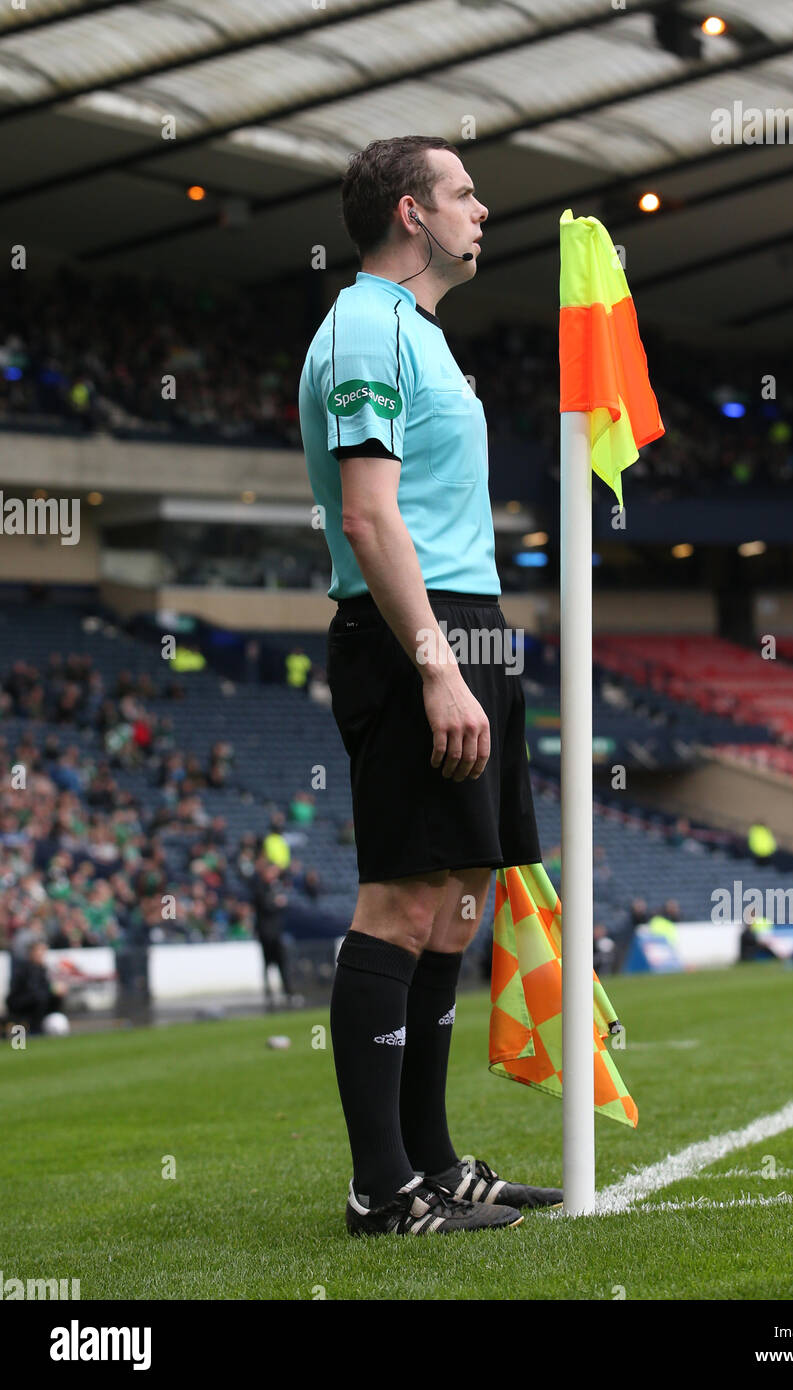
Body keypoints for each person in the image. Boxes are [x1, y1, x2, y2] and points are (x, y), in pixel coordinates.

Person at [298, 135, 558, 1237]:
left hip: (466, 622)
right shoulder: (364, 320)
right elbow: (366, 516)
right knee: (405, 899)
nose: (482, 209)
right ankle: (380, 1188)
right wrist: (437, 663)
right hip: (418, 631)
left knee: (460, 897)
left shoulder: (421, 333)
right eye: (462, 193)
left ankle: (434, 1163)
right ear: (410, 212)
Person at [251, 858, 295, 1008]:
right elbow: (265, 906)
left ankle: (288, 992)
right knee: (268, 964)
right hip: (266, 933)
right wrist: (276, 903)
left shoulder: (274, 886)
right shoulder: (260, 888)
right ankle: (269, 994)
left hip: (276, 931)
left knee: (283, 963)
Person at [5, 939, 68, 1034]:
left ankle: (49, 1023)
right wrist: (51, 989)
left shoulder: (41, 968)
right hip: (18, 1001)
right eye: (40, 951)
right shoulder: (25, 968)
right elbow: (33, 989)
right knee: (40, 998)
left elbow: (44, 986)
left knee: (56, 997)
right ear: (32, 952)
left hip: (32, 998)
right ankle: (35, 1029)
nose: (42, 954)